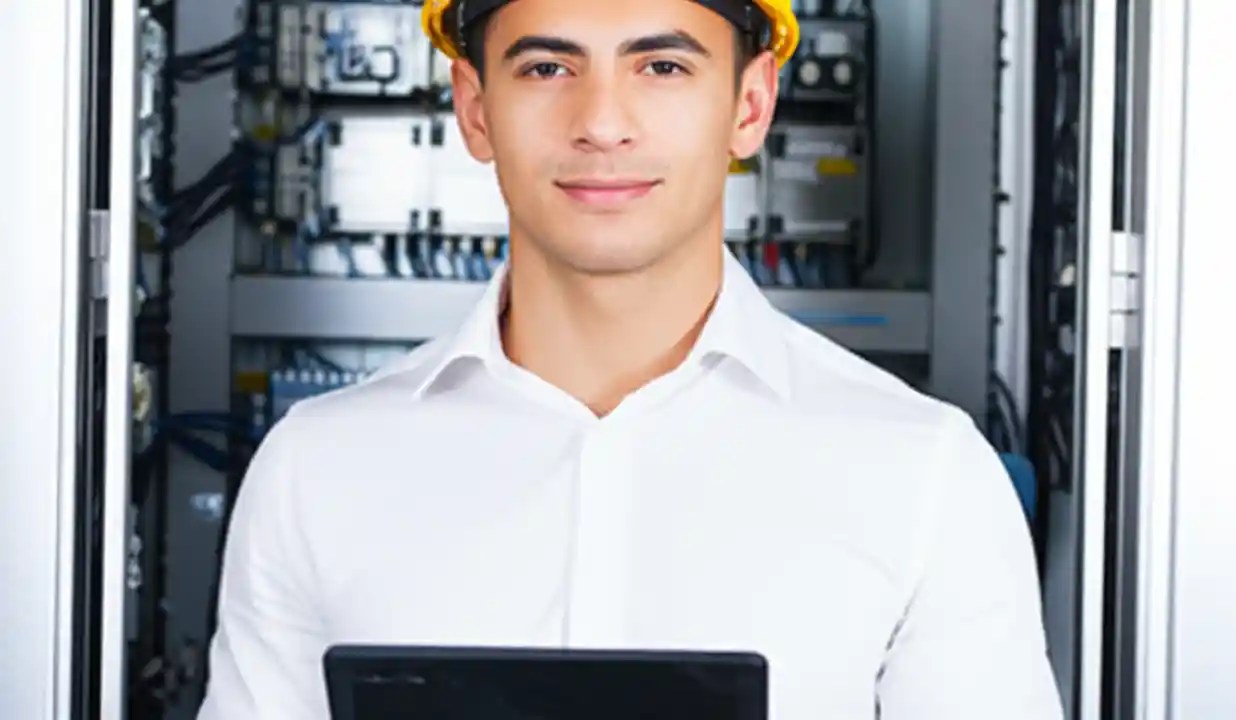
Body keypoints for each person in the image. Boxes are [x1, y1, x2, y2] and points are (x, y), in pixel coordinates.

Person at [197, 0, 1064, 717]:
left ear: (750, 107)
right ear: (474, 107)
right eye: (546, 68)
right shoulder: (317, 468)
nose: (602, 122)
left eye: (663, 66)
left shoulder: (926, 474)